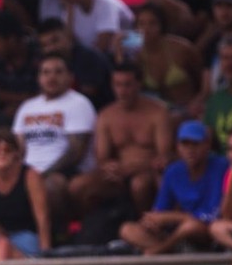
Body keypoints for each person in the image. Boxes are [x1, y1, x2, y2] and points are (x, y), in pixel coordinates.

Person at [74, 63, 173, 215]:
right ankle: (88, 228)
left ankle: (148, 226)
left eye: (127, 85)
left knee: (139, 185)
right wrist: (109, 167)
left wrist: (135, 167)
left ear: (139, 84)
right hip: (118, 175)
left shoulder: (158, 112)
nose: (122, 91)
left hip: (148, 173)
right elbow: (102, 157)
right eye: (117, 85)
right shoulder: (106, 115)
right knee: (78, 185)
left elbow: (163, 157)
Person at [119, 120, 227, 255]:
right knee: (127, 229)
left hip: (207, 232)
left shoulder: (221, 167)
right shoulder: (173, 170)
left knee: (190, 227)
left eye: (195, 144)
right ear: (178, 147)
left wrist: (173, 217)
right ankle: (170, 252)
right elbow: (160, 211)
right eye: (185, 144)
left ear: (207, 145)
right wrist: (152, 222)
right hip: (178, 234)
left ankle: (160, 250)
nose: (190, 150)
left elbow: (213, 215)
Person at [12, 53, 96, 219]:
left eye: (58, 72)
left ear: (70, 77)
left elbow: (75, 153)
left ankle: (60, 234)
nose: (52, 77)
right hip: (30, 170)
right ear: (39, 78)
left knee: (51, 186)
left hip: (64, 170)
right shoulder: (27, 107)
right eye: (46, 72)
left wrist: (42, 175)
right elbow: (18, 148)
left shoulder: (78, 103)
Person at [124, 4, 203, 111]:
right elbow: (130, 89)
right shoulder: (138, 55)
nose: (146, 29)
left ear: (161, 25)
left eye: (152, 23)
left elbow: (203, 79)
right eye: (141, 24)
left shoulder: (182, 49)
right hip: (159, 112)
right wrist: (120, 56)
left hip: (189, 109)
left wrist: (197, 103)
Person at [0, 128, 51, 257]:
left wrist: (45, 254)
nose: (1, 154)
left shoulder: (31, 176)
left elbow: (43, 218)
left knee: (2, 247)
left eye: (7, 150)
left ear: (16, 153)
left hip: (26, 236)